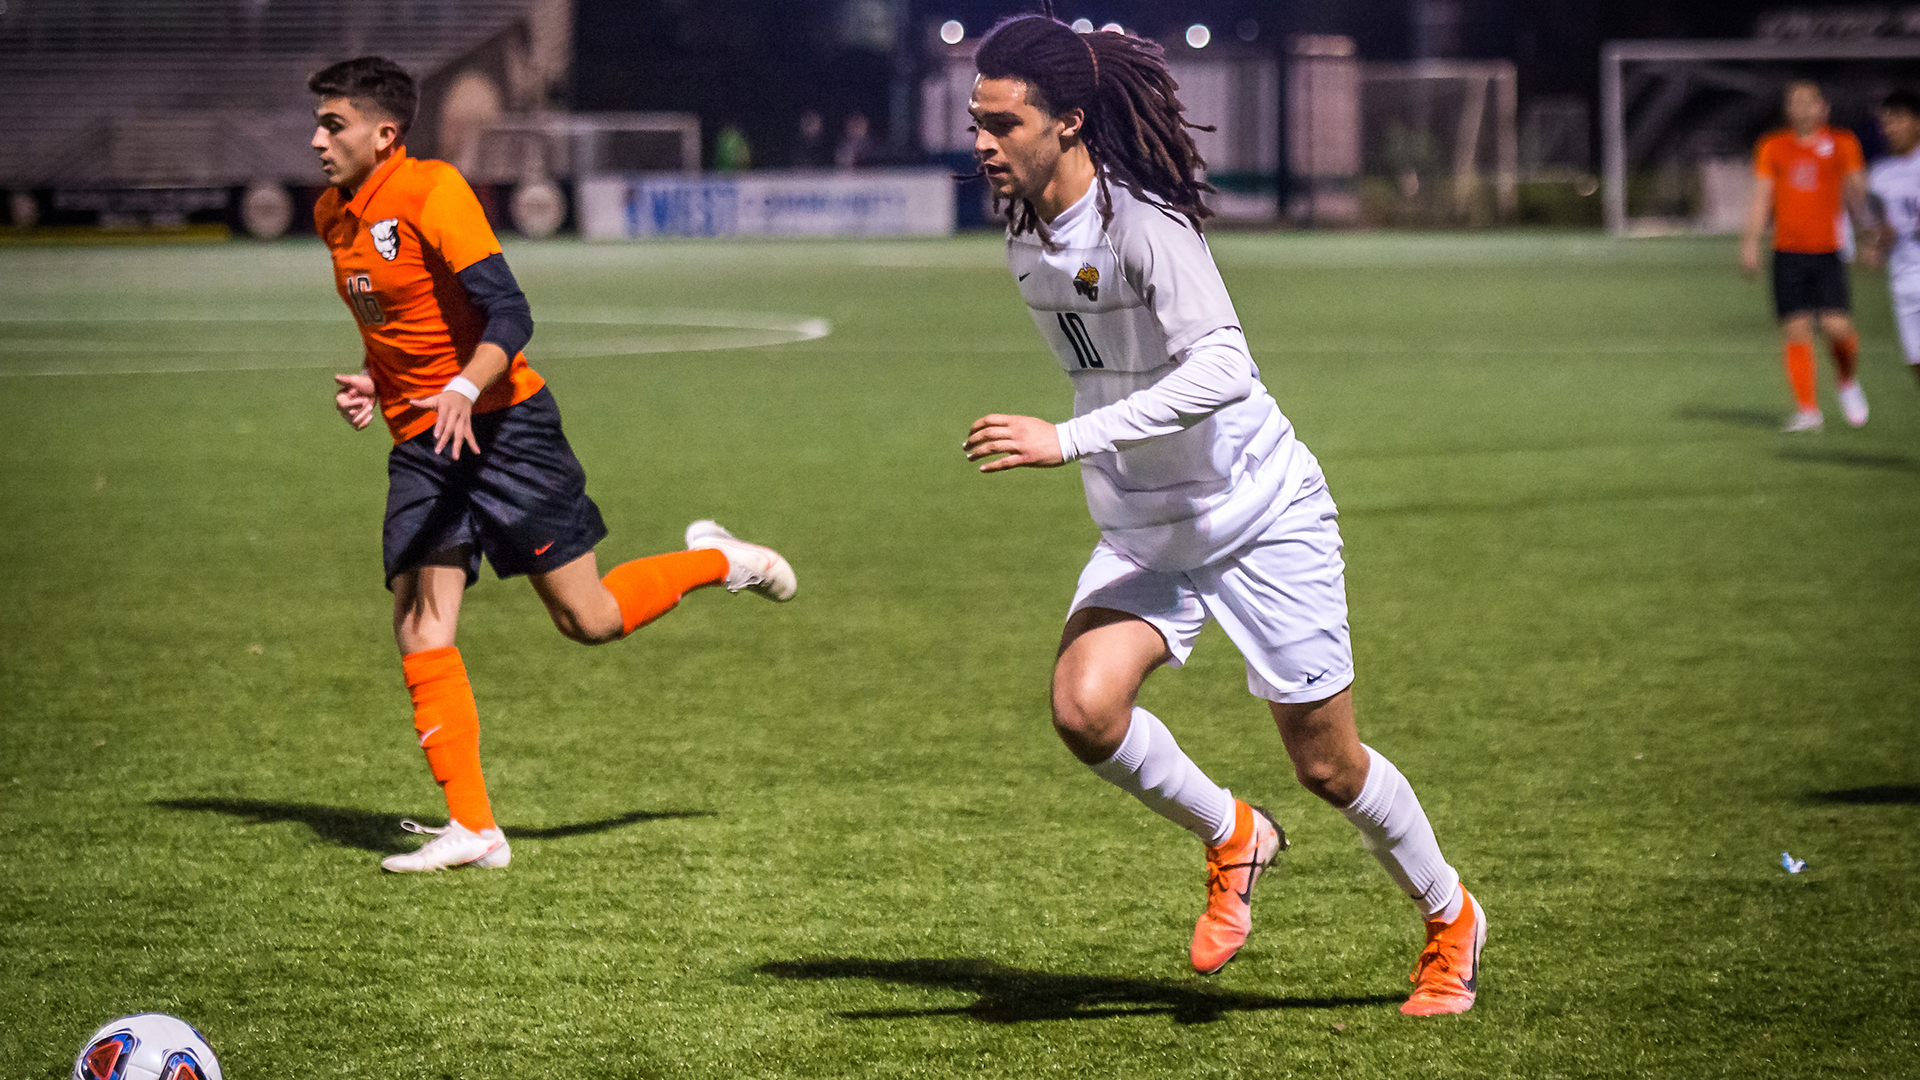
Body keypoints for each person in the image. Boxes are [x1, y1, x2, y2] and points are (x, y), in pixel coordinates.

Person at [958, 12, 1483, 1015]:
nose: (982, 142)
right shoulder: (1023, 225)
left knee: (1327, 765)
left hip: (1257, 515)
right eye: (976, 121)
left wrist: (1066, 439)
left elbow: (1225, 370)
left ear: (1068, 123)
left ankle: (1451, 916)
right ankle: (1234, 833)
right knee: (1084, 709)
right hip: (1147, 526)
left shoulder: (1146, 227)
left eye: (1004, 123)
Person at [309, 57, 797, 873]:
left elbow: (509, 312)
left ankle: (720, 559)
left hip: (508, 431)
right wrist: (376, 379)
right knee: (420, 620)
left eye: (334, 125)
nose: (317, 140)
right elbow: (398, 316)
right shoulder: (333, 213)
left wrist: (464, 386)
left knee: (589, 619)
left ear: (385, 133)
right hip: (424, 445)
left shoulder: (433, 191)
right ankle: (475, 829)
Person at [1741, 80, 1877, 431]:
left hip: (1828, 250)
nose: (1801, 107)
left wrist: (1869, 234)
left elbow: (1857, 192)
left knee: (1837, 326)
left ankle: (1846, 380)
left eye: (1808, 101)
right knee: (1796, 329)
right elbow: (1762, 196)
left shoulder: (1842, 143)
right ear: (1787, 109)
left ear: (1823, 107)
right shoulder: (1772, 146)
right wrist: (1750, 241)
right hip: (1787, 251)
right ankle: (1807, 410)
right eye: (1794, 101)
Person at [1869, 88, 1920, 392]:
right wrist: (1878, 242)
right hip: (1902, 278)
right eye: (1886, 122)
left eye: (1898, 120)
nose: (1890, 128)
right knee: (1915, 361)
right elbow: (1879, 227)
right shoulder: (1881, 174)